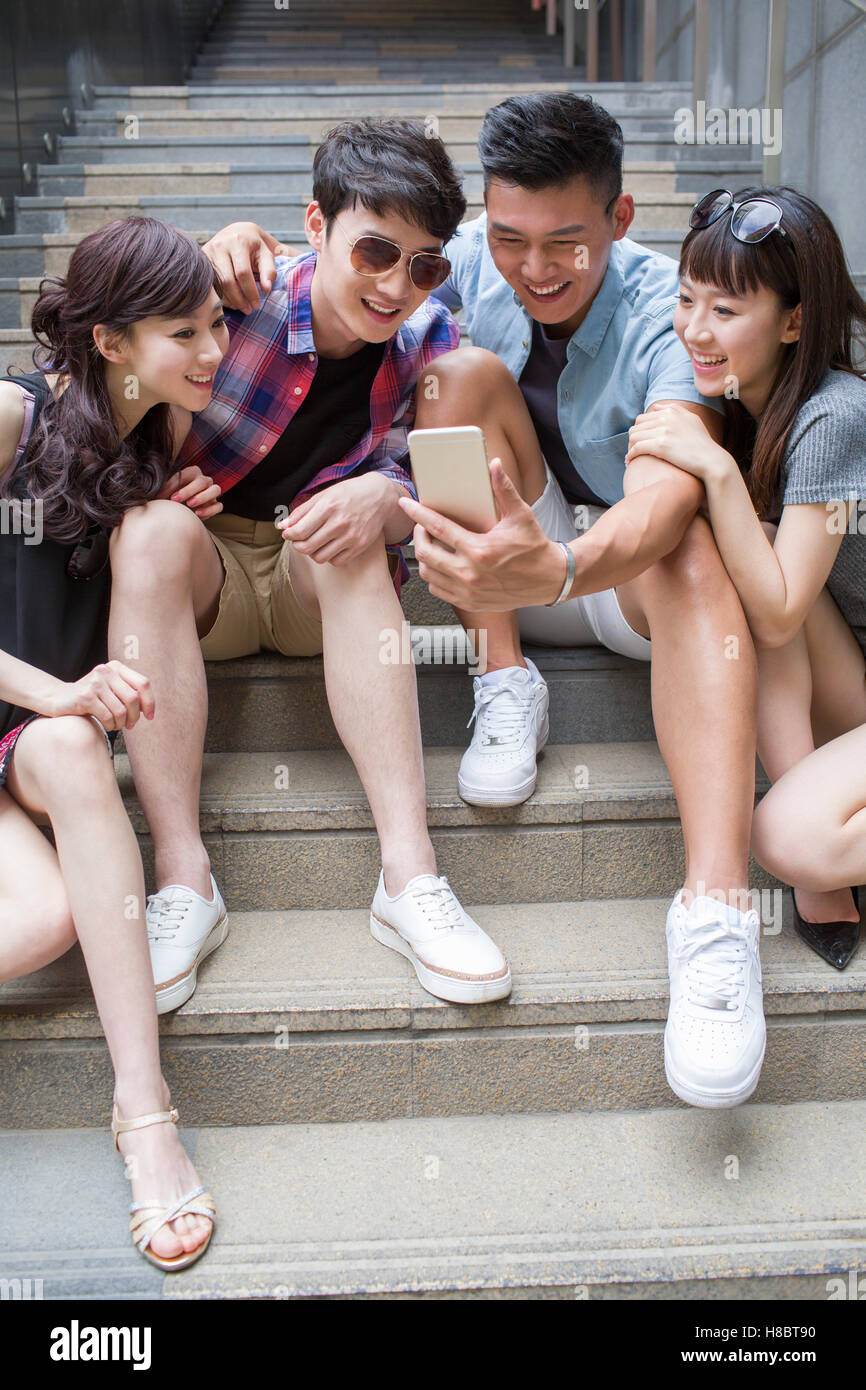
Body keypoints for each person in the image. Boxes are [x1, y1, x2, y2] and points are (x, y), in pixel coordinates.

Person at [199, 95, 767, 1111]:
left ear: (621, 217)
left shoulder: (668, 307)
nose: (534, 268)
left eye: (565, 242)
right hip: (495, 566)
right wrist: (231, 245)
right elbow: (347, 252)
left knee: (688, 550)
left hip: (608, 573)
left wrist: (558, 569)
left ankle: (716, 915)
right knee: (455, 375)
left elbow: (663, 498)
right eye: (508, 238)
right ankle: (506, 679)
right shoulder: (452, 262)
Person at [110, 118, 512, 1008]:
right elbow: (105, 384)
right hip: (205, 580)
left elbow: (444, 491)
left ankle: (409, 877)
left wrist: (386, 496)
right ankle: (185, 881)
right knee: (148, 532)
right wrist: (146, 476)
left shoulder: (429, 337)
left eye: (424, 264)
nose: (395, 285)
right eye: (375, 250)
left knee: (358, 529)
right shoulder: (232, 299)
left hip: (312, 580)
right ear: (316, 225)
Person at [0, 215, 227, 1269]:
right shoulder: (11, 415)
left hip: (35, 739)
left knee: (72, 766)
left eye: (216, 324)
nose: (213, 351)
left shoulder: (158, 433)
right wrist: (61, 691)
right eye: (186, 333)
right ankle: (148, 1124)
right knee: (43, 911)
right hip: (28, 700)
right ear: (109, 340)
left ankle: (144, 1113)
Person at [625, 185, 866, 971]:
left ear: (795, 321)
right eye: (686, 300)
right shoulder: (739, 404)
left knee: (789, 836)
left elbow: (780, 613)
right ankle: (820, 866)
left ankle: (817, 857)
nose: (696, 329)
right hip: (845, 684)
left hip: (843, 682)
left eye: (726, 310)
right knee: (746, 548)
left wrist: (718, 473)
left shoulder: (834, 414)